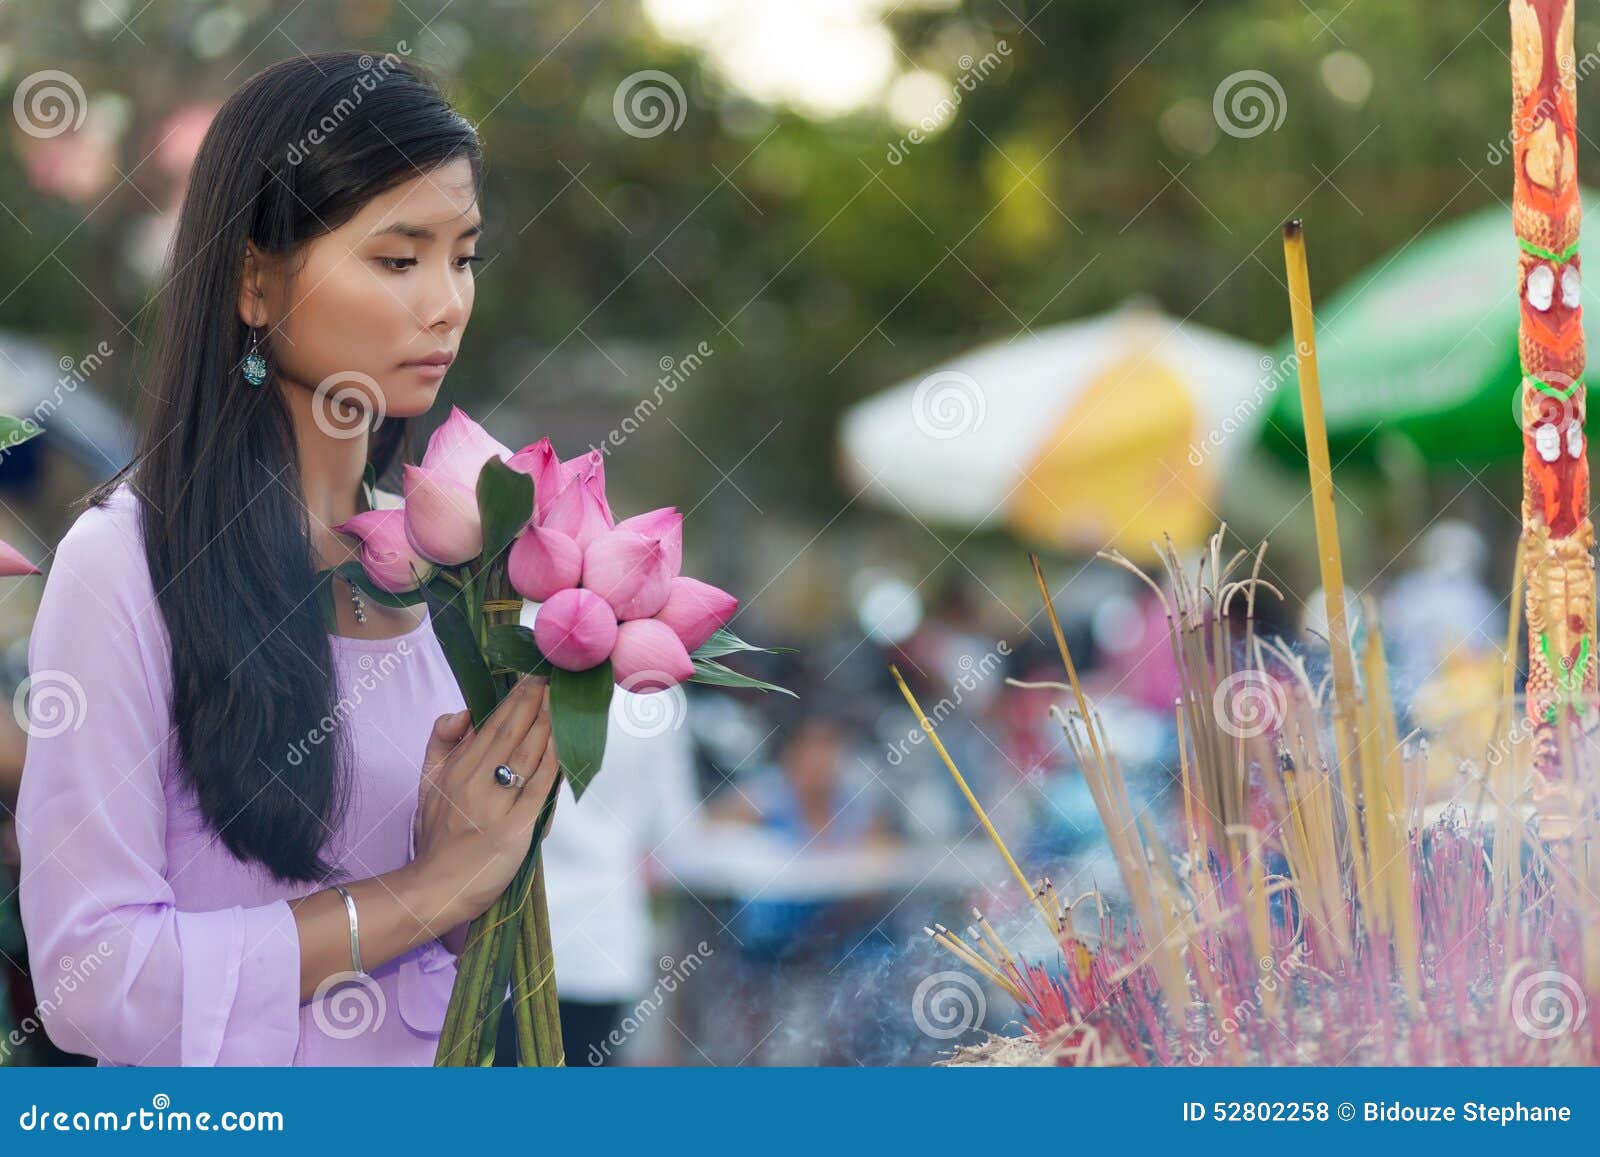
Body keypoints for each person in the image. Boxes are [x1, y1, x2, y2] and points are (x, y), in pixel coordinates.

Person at [14, 52, 559, 1066]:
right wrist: (430, 887)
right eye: (399, 259)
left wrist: (465, 879)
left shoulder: (452, 573)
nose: (446, 303)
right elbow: (92, 977)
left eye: (464, 256)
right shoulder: (126, 564)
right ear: (254, 281)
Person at [493, 677, 701, 1067]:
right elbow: (676, 835)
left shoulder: (509, 659)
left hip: (504, 941)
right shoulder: (655, 689)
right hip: (603, 943)